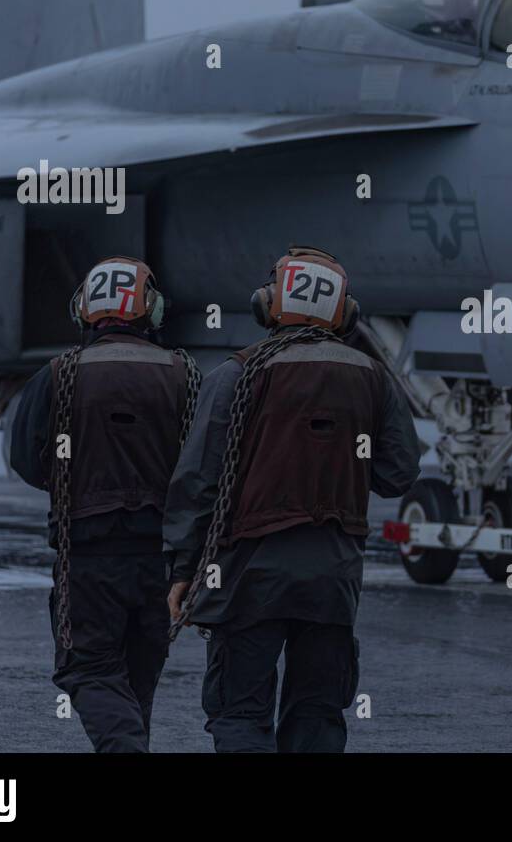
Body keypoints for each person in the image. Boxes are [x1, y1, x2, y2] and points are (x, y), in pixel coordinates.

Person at [164, 246, 420, 753]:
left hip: (248, 575)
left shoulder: (233, 375)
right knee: (317, 717)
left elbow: (197, 480)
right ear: (345, 313)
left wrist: (181, 569)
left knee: (240, 713)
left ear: (267, 304)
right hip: (333, 579)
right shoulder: (375, 380)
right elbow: (398, 474)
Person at [11, 257, 197, 752]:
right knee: (138, 686)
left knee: (89, 669)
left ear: (83, 309)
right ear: (151, 311)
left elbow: (26, 461)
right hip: (161, 559)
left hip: (89, 556)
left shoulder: (56, 375)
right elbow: (205, 467)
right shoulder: (185, 374)